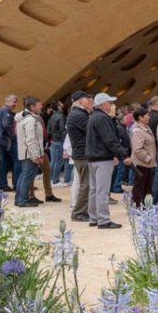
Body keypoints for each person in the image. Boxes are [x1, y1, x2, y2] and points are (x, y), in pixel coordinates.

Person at [86, 93, 129, 229]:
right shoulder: (103, 118)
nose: (111, 105)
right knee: (102, 191)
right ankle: (103, 220)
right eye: (109, 103)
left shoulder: (93, 117)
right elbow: (110, 139)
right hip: (102, 158)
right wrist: (123, 154)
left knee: (94, 189)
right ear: (103, 104)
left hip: (93, 157)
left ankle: (94, 217)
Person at [66, 91, 94, 221]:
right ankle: (79, 213)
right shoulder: (78, 115)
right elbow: (93, 130)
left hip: (81, 153)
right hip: (82, 154)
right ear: (80, 101)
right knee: (85, 184)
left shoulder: (79, 114)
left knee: (84, 183)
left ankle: (82, 211)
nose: (89, 102)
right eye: (87, 99)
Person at [15, 96, 45, 208]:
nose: (41, 106)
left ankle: (20, 199)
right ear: (32, 107)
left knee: (24, 175)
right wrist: (35, 155)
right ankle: (22, 200)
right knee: (27, 176)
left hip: (27, 152)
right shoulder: (30, 120)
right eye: (39, 105)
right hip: (30, 153)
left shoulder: (26, 118)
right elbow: (31, 139)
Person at [129, 107, 157, 206]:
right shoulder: (138, 131)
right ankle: (136, 207)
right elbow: (137, 149)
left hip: (148, 164)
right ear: (140, 118)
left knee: (147, 186)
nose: (149, 117)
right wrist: (147, 158)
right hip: (141, 164)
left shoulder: (146, 128)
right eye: (147, 115)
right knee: (139, 186)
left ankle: (146, 207)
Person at [0, 94, 20, 192]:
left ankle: (2, 185)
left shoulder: (4, 110)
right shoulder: (5, 110)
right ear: (7, 101)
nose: (15, 104)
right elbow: (6, 125)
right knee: (17, 161)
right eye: (14, 101)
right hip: (8, 140)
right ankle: (17, 184)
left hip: (3, 141)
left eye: (16, 101)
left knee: (4, 163)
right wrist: (14, 134)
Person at [47, 101, 67, 186]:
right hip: (59, 140)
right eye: (60, 103)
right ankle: (55, 180)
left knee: (53, 161)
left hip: (53, 140)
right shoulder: (61, 116)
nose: (62, 104)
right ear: (58, 106)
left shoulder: (52, 116)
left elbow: (49, 130)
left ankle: (51, 179)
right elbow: (62, 130)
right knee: (59, 161)